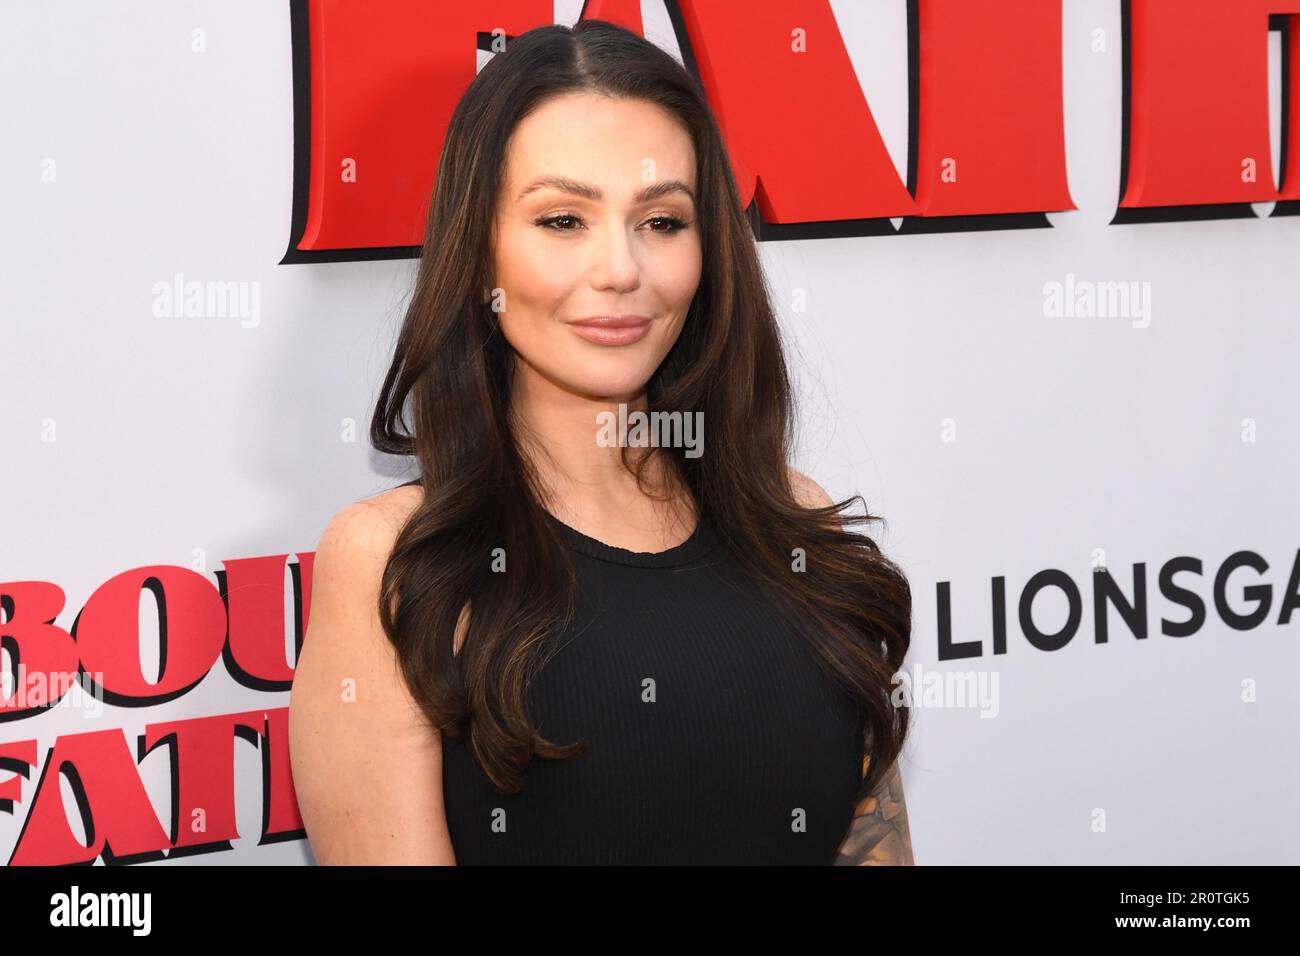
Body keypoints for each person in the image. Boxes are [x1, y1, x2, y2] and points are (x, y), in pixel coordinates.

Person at [288, 19, 914, 865]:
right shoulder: (400, 563)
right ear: (480, 257)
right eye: (561, 220)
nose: (621, 269)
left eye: (660, 222)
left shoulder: (797, 525)